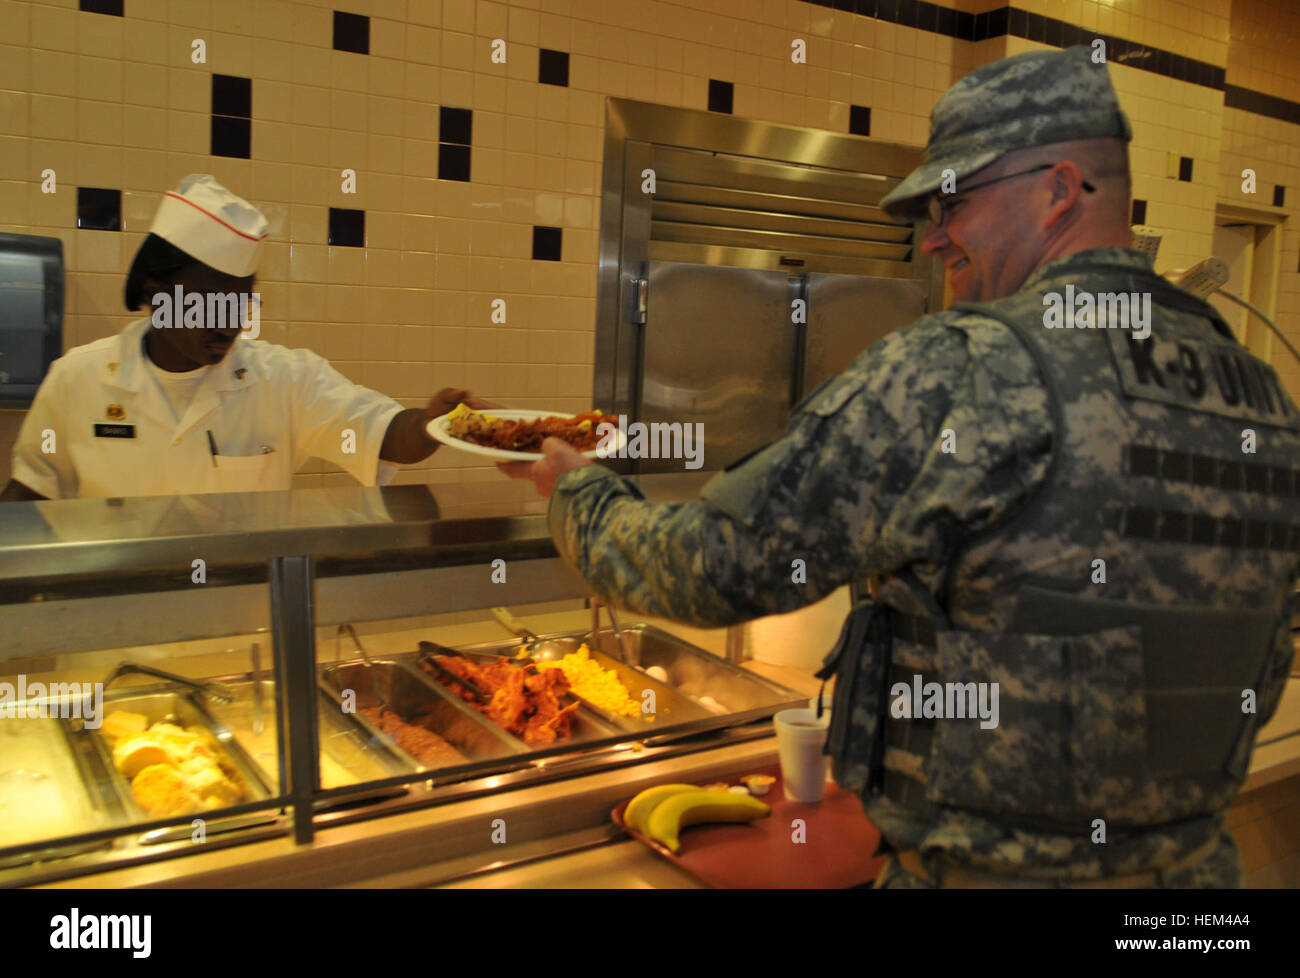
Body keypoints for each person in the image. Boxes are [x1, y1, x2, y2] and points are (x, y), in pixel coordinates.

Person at [500, 46, 1300, 888]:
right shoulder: (1260, 393)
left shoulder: (968, 366)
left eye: (955, 199)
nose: (933, 235)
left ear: (1060, 189)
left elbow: (711, 569)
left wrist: (575, 492)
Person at [2, 174, 487, 500]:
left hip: (238, 641)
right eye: (209, 300)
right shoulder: (78, 380)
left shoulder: (284, 379)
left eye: (240, 301)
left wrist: (433, 423)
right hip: (107, 640)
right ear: (157, 293)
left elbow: (382, 433)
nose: (226, 322)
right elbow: (26, 503)